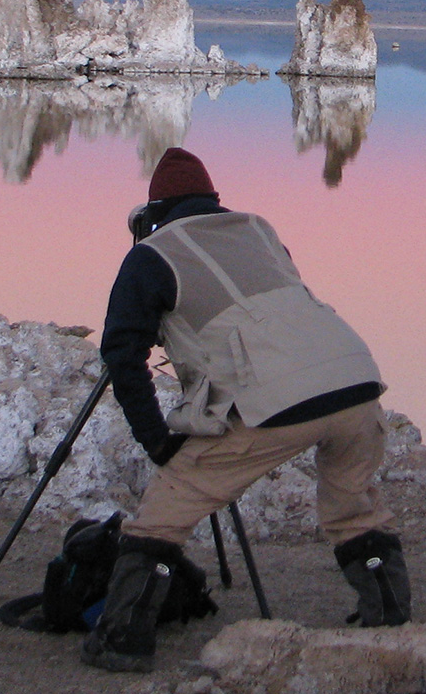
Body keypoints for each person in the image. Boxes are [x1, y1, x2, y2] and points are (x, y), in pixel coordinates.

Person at [86, 146, 409, 672]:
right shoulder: (257, 229)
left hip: (272, 400)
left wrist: (159, 442)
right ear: (214, 201)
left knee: (168, 506)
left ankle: (121, 638)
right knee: (354, 505)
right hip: (355, 379)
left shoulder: (153, 254)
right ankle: (390, 614)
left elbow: (123, 353)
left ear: (151, 213)